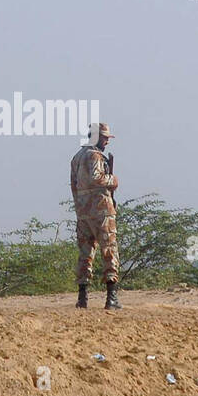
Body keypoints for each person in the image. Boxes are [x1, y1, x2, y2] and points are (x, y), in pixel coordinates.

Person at [70, 122, 121, 309]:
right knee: (109, 250)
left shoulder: (76, 157)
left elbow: (74, 186)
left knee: (85, 254)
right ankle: (111, 297)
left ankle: (82, 298)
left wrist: (79, 209)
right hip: (101, 211)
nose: (107, 141)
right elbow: (96, 177)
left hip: (83, 213)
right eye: (105, 137)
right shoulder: (94, 156)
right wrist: (113, 181)